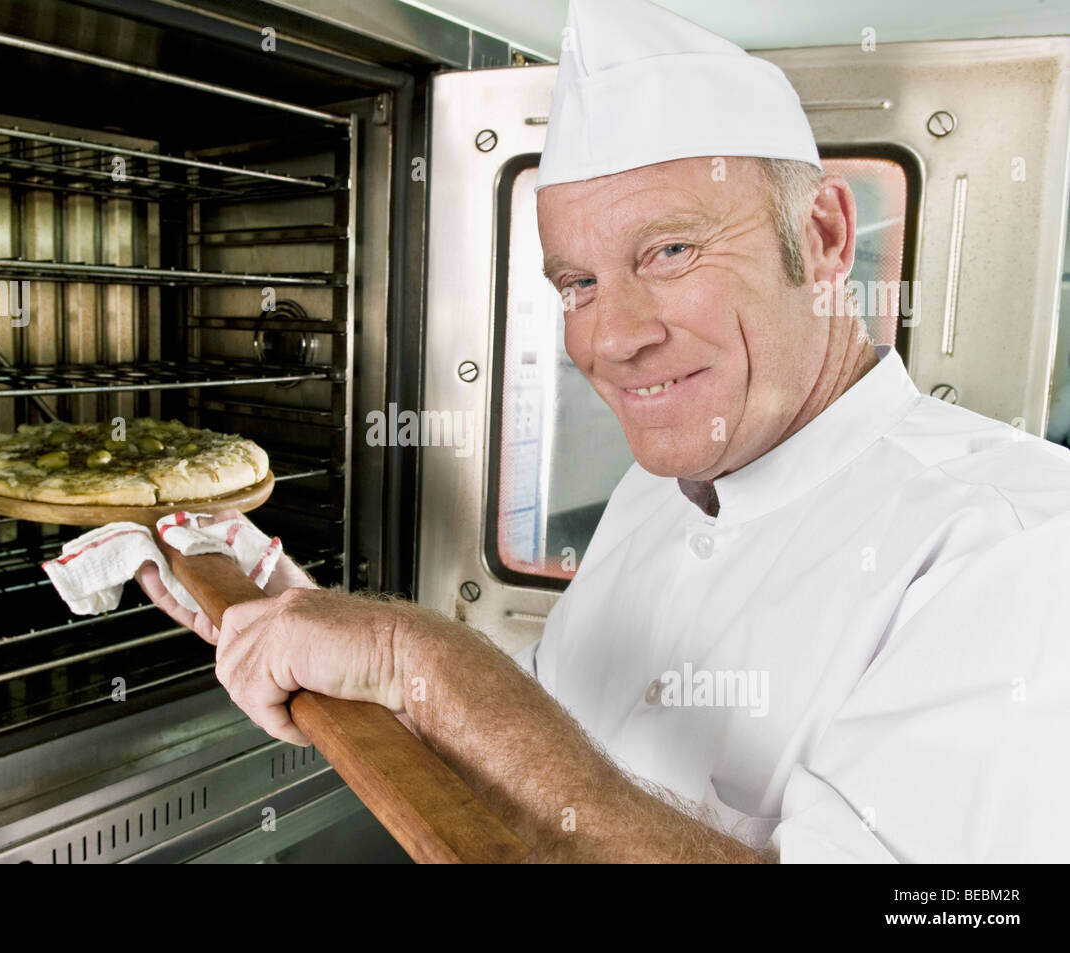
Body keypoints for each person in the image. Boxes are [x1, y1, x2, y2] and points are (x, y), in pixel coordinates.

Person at [137, 0, 1070, 862]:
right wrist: (302, 614)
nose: (613, 338)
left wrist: (411, 656)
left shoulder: (1018, 544)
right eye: (577, 284)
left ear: (824, 235)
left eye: (670, 251)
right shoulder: (658, 489)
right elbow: (529, 747)